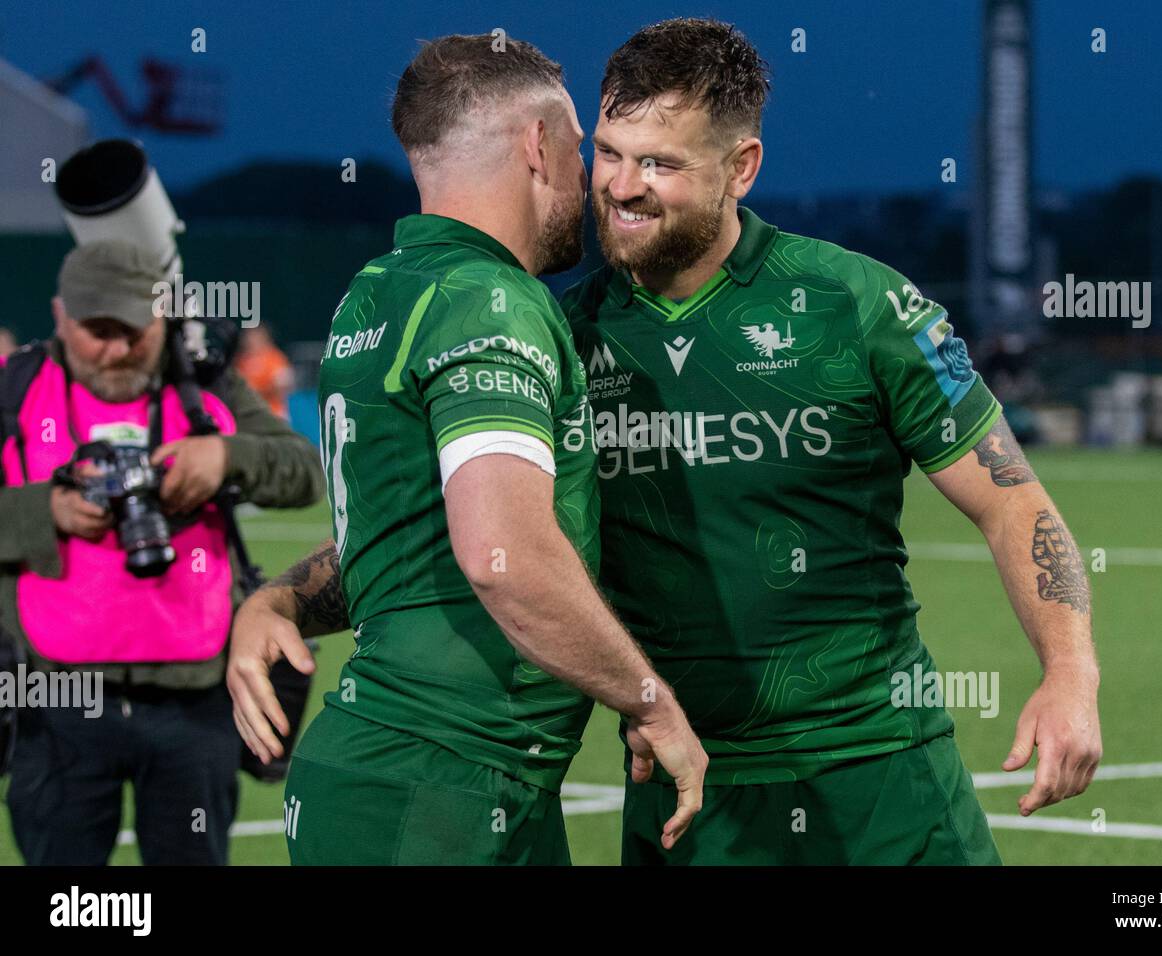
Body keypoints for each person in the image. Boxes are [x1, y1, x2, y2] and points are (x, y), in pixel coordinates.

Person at [234, 19, 1102, 866]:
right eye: (607, 151)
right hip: (686, 791)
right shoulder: (553, 334)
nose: (621, 184)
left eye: (661, 163)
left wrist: (1070, 674)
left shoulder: (858, 304)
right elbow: (452, 535)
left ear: (742, 168)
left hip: (880, 774)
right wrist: (281, 600)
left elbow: (1010, 498)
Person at [228, 34, 706, 866]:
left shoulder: (379, 291)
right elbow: (500, 555)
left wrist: (280, 598)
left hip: (411, 778)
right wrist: (650, 701)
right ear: (537, 145)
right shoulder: (487, 298)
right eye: (582, 148)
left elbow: (410, 541)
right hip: (439, 785)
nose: (592, 176)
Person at [0, 239, 323, 865]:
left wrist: (228, 456)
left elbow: (304, 470)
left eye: (135, 330)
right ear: (60, 314)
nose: (117, 349)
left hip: (195, 697)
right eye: (98, 330)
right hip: (54, 698)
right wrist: (49, 510)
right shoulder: (16, 389)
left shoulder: (204, 384)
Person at [235, 324, 295, 419]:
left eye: (255, 337)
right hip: (248, 414)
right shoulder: (241, 360)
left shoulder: (275, 358)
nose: (250, 341)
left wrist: (258, 391)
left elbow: (283, 387)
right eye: (248, 337)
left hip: (272, 413)